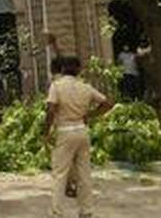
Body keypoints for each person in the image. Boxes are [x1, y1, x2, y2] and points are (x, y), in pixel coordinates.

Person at [45, 56, 115, 218]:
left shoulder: (57, 86)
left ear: (62, 70)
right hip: (82, 130)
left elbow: (50, 110)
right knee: (84, 173)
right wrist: (90, 115)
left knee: (60, 174)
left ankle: (57, 213)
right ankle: (86, 211)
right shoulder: (86, 87)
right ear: (78, 70)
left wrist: (46, 132)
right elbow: (108, 103)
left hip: (64, 131)